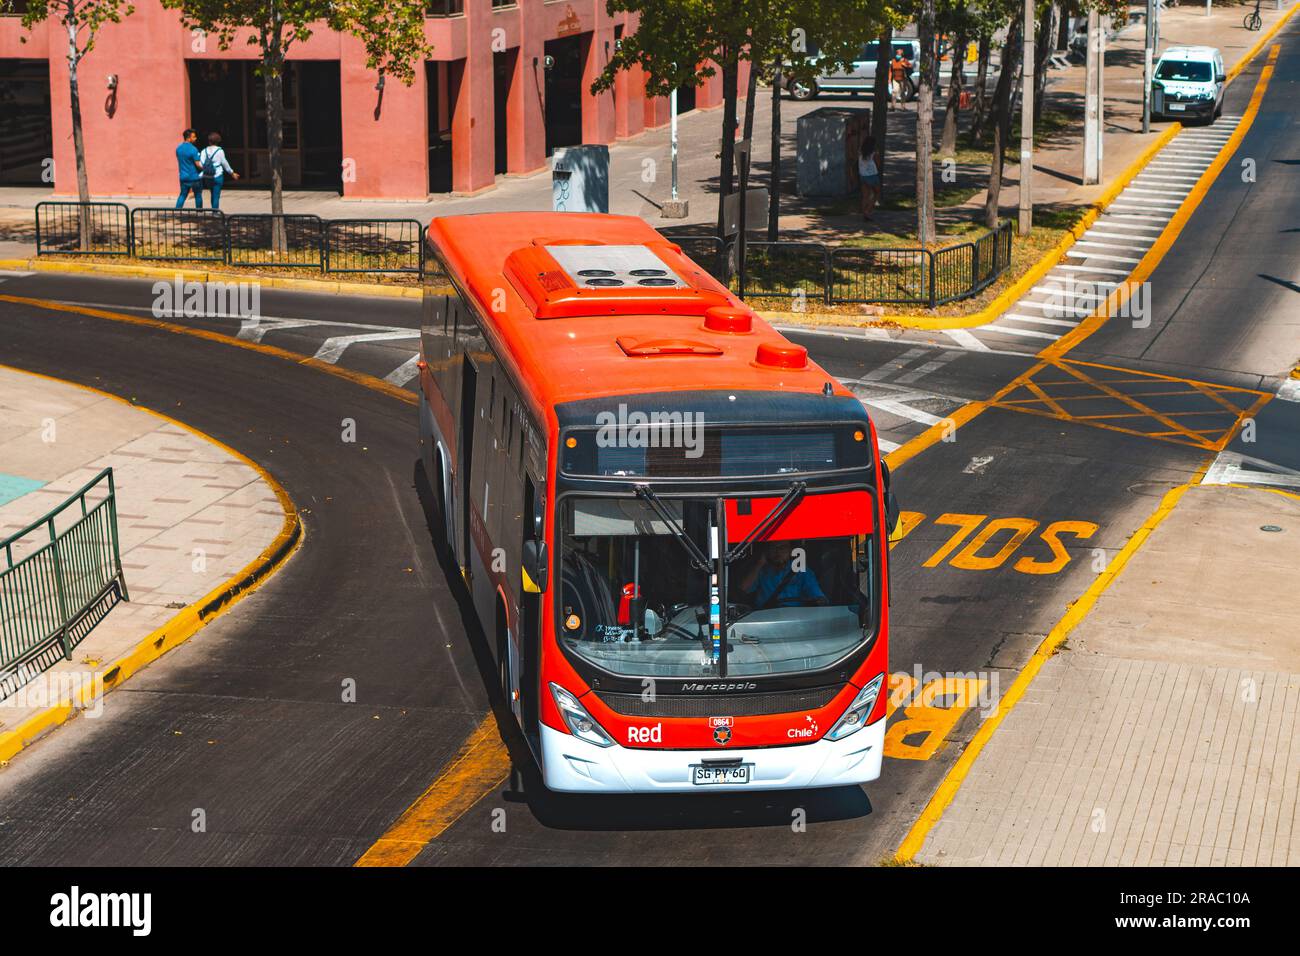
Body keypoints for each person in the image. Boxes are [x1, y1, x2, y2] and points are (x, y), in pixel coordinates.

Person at [737, 540, 829, 610]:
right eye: (773, 547)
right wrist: (760, 563)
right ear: (767, 551)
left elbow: (818, 597)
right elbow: (744, 589)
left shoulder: (801, 571)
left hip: (794, 618)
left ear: (790, 550)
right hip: (766, 617)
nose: (778, 552)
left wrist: (819, 601)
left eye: (782, 547)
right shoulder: (761, 571)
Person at [198, 131, 240, 210]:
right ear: (218, 141)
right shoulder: (220, 151)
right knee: (216, 195)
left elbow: (201, 163)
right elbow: (224, 163)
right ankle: (215, 212)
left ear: (209, 140)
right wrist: (232, 173)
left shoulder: (204, 151)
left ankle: (214, 210)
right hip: (217, 175)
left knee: (212, 193)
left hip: (207, 176)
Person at [175, 128, 203, 209]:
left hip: (183, 176)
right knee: (198, 195)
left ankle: (176, 212)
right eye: (194, 137)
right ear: (188, 138)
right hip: (194, 177)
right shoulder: (193, 149)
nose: (195, 138)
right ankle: (199, 213)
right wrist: (205, 169)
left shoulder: (178, 148)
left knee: (183, 195)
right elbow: (198, 164)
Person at [858, 135, 881, 221]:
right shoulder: (875, 152)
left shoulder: (861, 151)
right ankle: (868, 211)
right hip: (872, 175)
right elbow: (878, 164)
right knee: (876, 193)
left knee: (865, 196)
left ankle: (864, 212)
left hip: (863, 176)